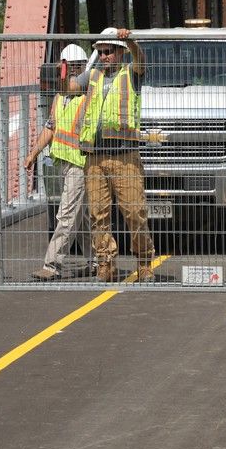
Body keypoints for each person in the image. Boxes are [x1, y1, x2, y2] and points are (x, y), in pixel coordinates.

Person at [64, 27, 156, 282]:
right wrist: (59, 76)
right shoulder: (91, 76)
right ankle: (105, 264)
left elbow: (141, 61)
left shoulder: (131, 74)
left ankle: (145, 263)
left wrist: (132, 41)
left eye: (108, 51)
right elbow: (70, 87)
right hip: (95, 157)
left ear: (120, 52)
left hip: (125, 155)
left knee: (135, 212)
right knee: (98, 215)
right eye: (100, 52)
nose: (103, 56)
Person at [23, 44, 92, 281]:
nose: (71, 72)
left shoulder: (87, 96)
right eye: (67, 67)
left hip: (81, 163)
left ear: (83, 68)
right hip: (65, 161)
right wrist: (33, 152)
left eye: (75, 67)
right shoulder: (59, 97)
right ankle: (98, 260)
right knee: (81, 216)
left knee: (67, 214)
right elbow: (50, 128)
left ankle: (52, 265)